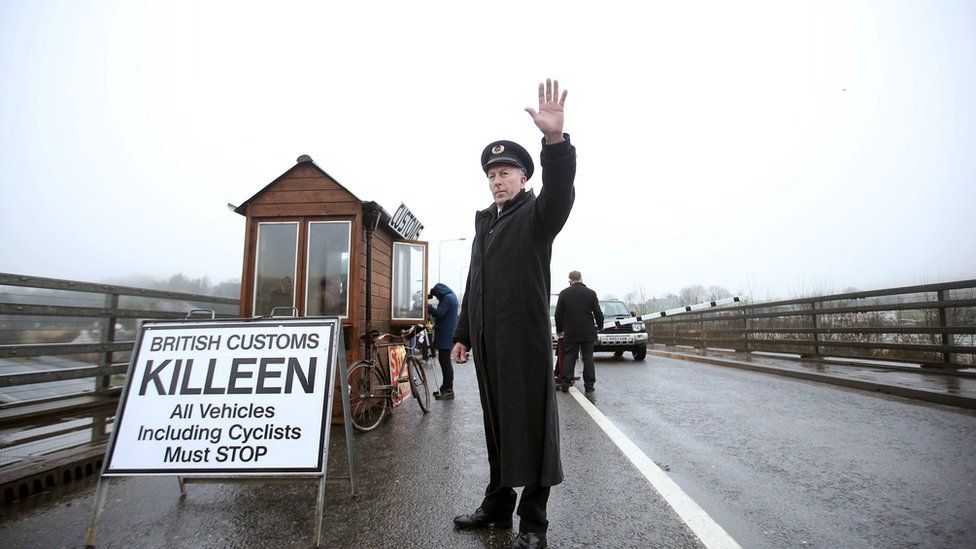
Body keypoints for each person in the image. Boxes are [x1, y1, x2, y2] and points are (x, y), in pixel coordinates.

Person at [451, 79, 575, 549]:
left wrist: (555, 143)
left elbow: (561, 192)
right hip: (487, 342)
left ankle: (534, 524)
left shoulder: (537, 215)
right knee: (497, 423)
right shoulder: (485, 221)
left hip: (523, 341)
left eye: (506, 173)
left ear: (524, 178)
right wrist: (462, 332)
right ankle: (498, 506)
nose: (497, 180)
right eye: (492, 174)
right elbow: (474, 282)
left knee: (533, 427)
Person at [555, 271, 603, 393]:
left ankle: (566, 383)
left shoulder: (564, 293)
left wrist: (559, 330)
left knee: (570, 356)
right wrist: (600, 326)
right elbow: (597, 312)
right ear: (581, 279)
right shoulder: (591, 293)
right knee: (588, 357)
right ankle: (589, 385)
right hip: (587, 331)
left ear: (570, 280)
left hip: (571, 332)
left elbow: (558, 314)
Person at [427, 283, 460, 399]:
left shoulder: (447, 298)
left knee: (445, 363)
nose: (437, 298)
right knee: (444, 361)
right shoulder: (451, 296)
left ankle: (449, 390)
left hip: (446, 334)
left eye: (436, 295)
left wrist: (427, 307)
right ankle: (445, 387)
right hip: (448, 334)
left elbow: (439, 313)